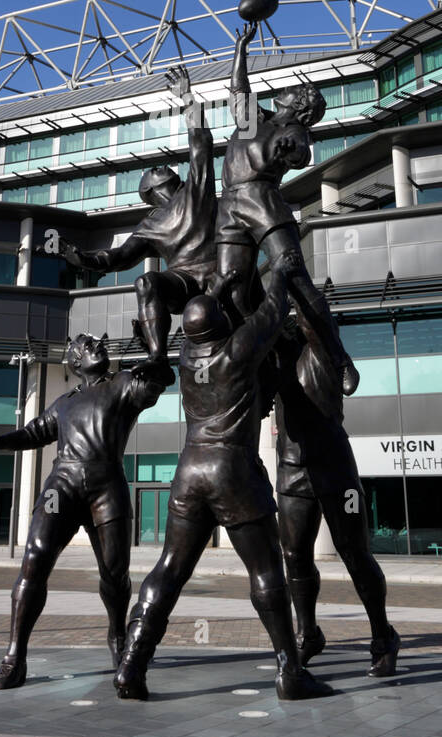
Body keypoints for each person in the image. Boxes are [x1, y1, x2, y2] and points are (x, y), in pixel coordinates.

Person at [115, 250, 329, 702]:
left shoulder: (186, 357)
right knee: (267, 571)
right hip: (232, 470)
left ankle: (132, 663)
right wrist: (282, 272)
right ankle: (290, 671)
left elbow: (201, 321)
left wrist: (215, 288)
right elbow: (273, 312)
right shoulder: (236, 353)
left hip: (189, 471)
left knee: (169, 569)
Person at [0, 333, 171, 690]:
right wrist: (0, 442)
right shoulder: (63, 403)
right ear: (75, 362)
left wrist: (154, 355)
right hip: (61, 484)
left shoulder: (122, 385)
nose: (98, 347)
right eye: (88, 345)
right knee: (35, 556)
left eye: (100, 345)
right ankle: (14, 657)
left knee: (114, 573)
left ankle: (117, 636)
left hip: (106, 484)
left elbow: (157, 382)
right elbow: (34, 433)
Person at [210, 21, 354, 391]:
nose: (284, 91)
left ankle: (338, 358)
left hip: (262, 201)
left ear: (301, 106)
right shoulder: (253, 119)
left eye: (292, 91)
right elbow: (238, 88)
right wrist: (241, 48)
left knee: (297, 283)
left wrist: (292, 151)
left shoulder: (293, 131)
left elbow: (303, 153)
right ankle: (275, 348)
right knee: (234, 292)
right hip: (229, 206)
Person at [59, 66, 215, 374]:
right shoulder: (150, 224)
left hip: (217, 267)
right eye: (156, 169)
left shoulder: (196, 190)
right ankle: (157, 356)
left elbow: (201, 144)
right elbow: (117, 257)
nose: (162, 166)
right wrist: (84, 259)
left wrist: (188, 99)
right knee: (146, 281)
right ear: (150, 190)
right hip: (183, 282)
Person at [273, 310, 400, 678]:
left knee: (354, 553)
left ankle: (383, 637)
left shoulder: (325, 351)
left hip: (334, 469)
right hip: (292, 470)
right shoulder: (275, 358)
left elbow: (348, 380)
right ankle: (308, 633)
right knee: (294, 555)